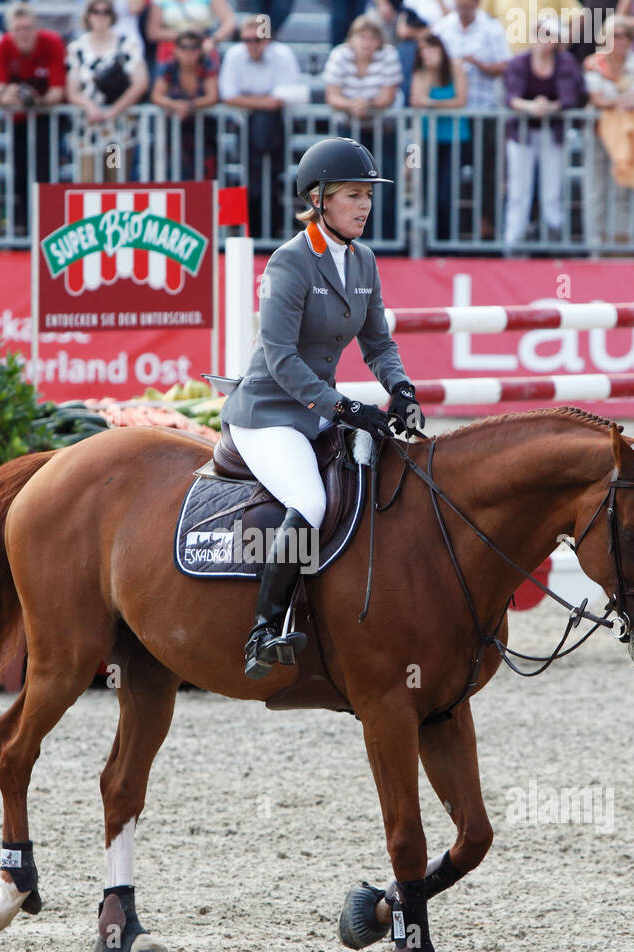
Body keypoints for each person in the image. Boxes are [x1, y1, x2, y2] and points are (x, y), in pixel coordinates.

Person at [219, 137, 420, 678]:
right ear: (321, 198)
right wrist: (344, 408)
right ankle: (264, 630)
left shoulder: (364, 261)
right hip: (268, 412)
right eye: (354, 195)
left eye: (368, 197)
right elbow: (281, 358)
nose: (365, 207)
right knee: (308, 500)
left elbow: (378, 344)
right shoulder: (290, 262)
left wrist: (401, 389)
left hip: (316, 410)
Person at [432, 0, 510, 240]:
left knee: (488, 172)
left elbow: (505, 65)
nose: (464, 6)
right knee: (444, 173)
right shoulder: (442, 28)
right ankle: (443, 230)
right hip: (450, 115)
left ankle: (487, 227)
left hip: (483, 111)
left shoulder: (492, 28)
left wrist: (478, 64)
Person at [503, 18, 583, 249]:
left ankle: (555, 244)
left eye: (552, 36)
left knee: (552, 191)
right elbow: (511, 96)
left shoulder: (566, 63)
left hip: (553, 133)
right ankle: (513, 244)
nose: (546, 41)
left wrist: (549, 107)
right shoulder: (520, 62)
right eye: (543, 34)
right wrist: (531, 107)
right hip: (522, 133)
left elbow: (571, 98)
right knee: (519, 191)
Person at [219, 14, 300, 237]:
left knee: (266, 180)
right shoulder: (235, 55)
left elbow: (282, 98)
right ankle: (252, 233)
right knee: (249, 181)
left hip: (274, 127)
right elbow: (227, 96)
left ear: (268, 40)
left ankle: (267, 234)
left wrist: (250, 100)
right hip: (242, 127)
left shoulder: (282, 55)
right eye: (246, 40)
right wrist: (265, 101)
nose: (251, 45)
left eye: (256, 40)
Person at [323, 15, 404, 239]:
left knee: (385, 186)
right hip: (349, 129)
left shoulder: (388, 55)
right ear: (352, 38)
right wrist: (354, 105)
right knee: (349, 187)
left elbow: (388, 96)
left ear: (380, 41)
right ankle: (351, 236)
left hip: (384, 130)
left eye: (372, 37)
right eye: (362, 36)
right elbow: (332, 96)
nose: (366, 42)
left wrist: (366, 105)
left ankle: (386, 239)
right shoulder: (339, 54)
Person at [0, 3, 66, 231]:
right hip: (18, 120)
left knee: (47, 172)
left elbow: (57, 91)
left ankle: (48, 225)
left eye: (27, 28)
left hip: (47, 120)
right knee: (20, 172)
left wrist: (38, 102)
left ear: (36, 28)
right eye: (18, 29)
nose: (23, 34)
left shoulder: (51, 43)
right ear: (10, 31)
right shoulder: (3, 46)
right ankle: (22, 224)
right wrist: (9, 95)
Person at [584, 15, 634, 250]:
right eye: (616, 35)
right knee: (597, 191)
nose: (621, 40)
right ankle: (596, 244)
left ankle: (623, 244)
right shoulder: (593, 62)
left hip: (627, 134)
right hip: (599, 133)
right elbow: (597, 98)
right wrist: (619, 101)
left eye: (626, 35)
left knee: (625, 189)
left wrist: (614, 102)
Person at [67, 1, 149, 182]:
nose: (100, 16)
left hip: (116, 131)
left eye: (105, 12)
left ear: (112, 16)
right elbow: (72, 91)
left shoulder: (125, 44)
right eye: (95, 12)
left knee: (115, 181)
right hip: (88, 130)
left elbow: (140, 83)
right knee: (88, 181)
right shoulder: (77, 48)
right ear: (88, 15)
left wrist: (113, 111)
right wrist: (90, 107)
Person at [409, 31, 469, 240]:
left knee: (446, 192)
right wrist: (430, 72)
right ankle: (430, 240)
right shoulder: (421, 72)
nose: (427, 53)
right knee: (427, 191)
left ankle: (448, 239)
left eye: (431, 48)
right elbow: (417, 100)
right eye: (423, 50)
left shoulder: (455, 67)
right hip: (426, 139)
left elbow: (461, 100)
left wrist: (432, 104)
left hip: (454, 139)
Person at [151, 27, 220, 181]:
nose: (189, 52)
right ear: (176, 50)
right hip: (176, 129)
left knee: (206, 173)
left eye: (194, 47)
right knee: (174, 170)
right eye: (184, 47)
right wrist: (175, 105)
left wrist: (187, 106)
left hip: (204, 130)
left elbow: (213, 96)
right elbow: (156, 95)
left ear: (200, 50)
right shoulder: (169, 66)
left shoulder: (207, 65)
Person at [146, 0, 237, 66]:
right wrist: (186, 34)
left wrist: (213, 40)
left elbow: (229, 21)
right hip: (169, 55)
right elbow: (153, 32)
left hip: (203, 50)